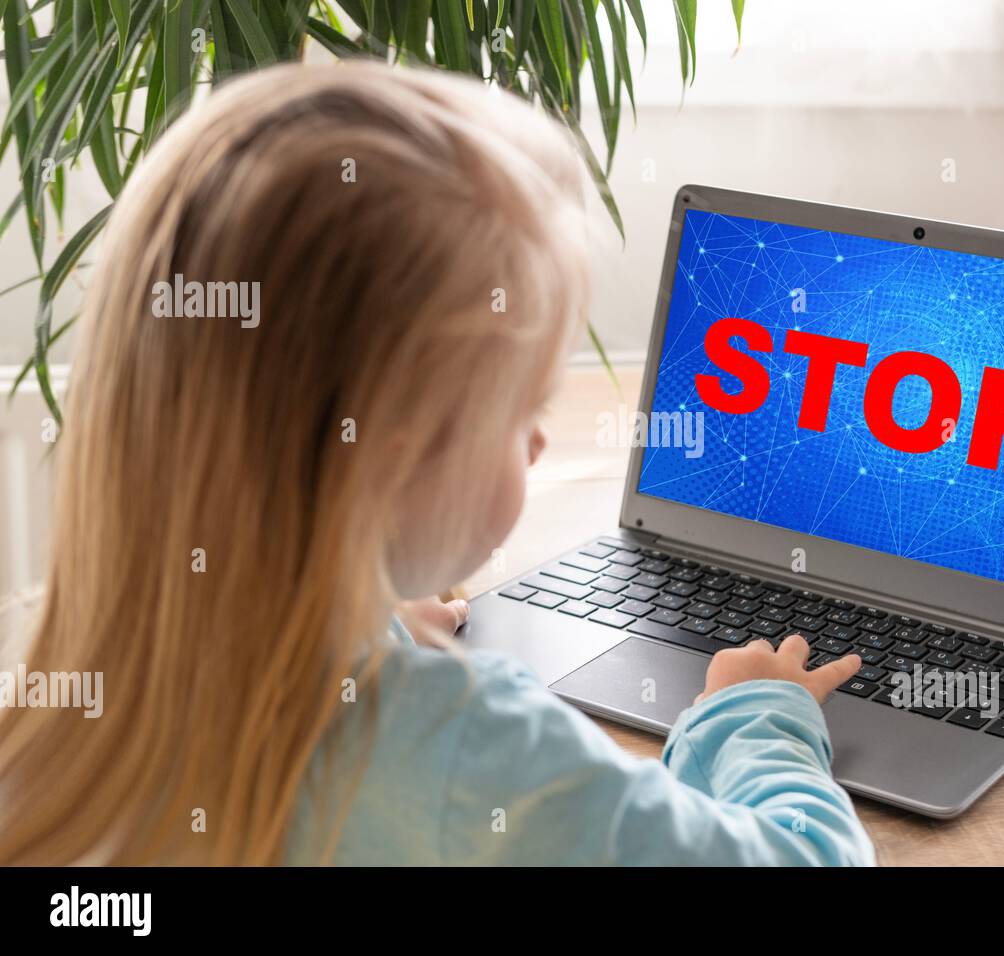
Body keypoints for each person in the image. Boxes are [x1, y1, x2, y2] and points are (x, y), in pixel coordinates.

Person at [0, 63, 873, 866]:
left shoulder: (60, 699)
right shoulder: (470, 751)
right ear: (389, 471)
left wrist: (362, 612)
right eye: (526, 413)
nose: (538, 443)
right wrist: (754, 715)